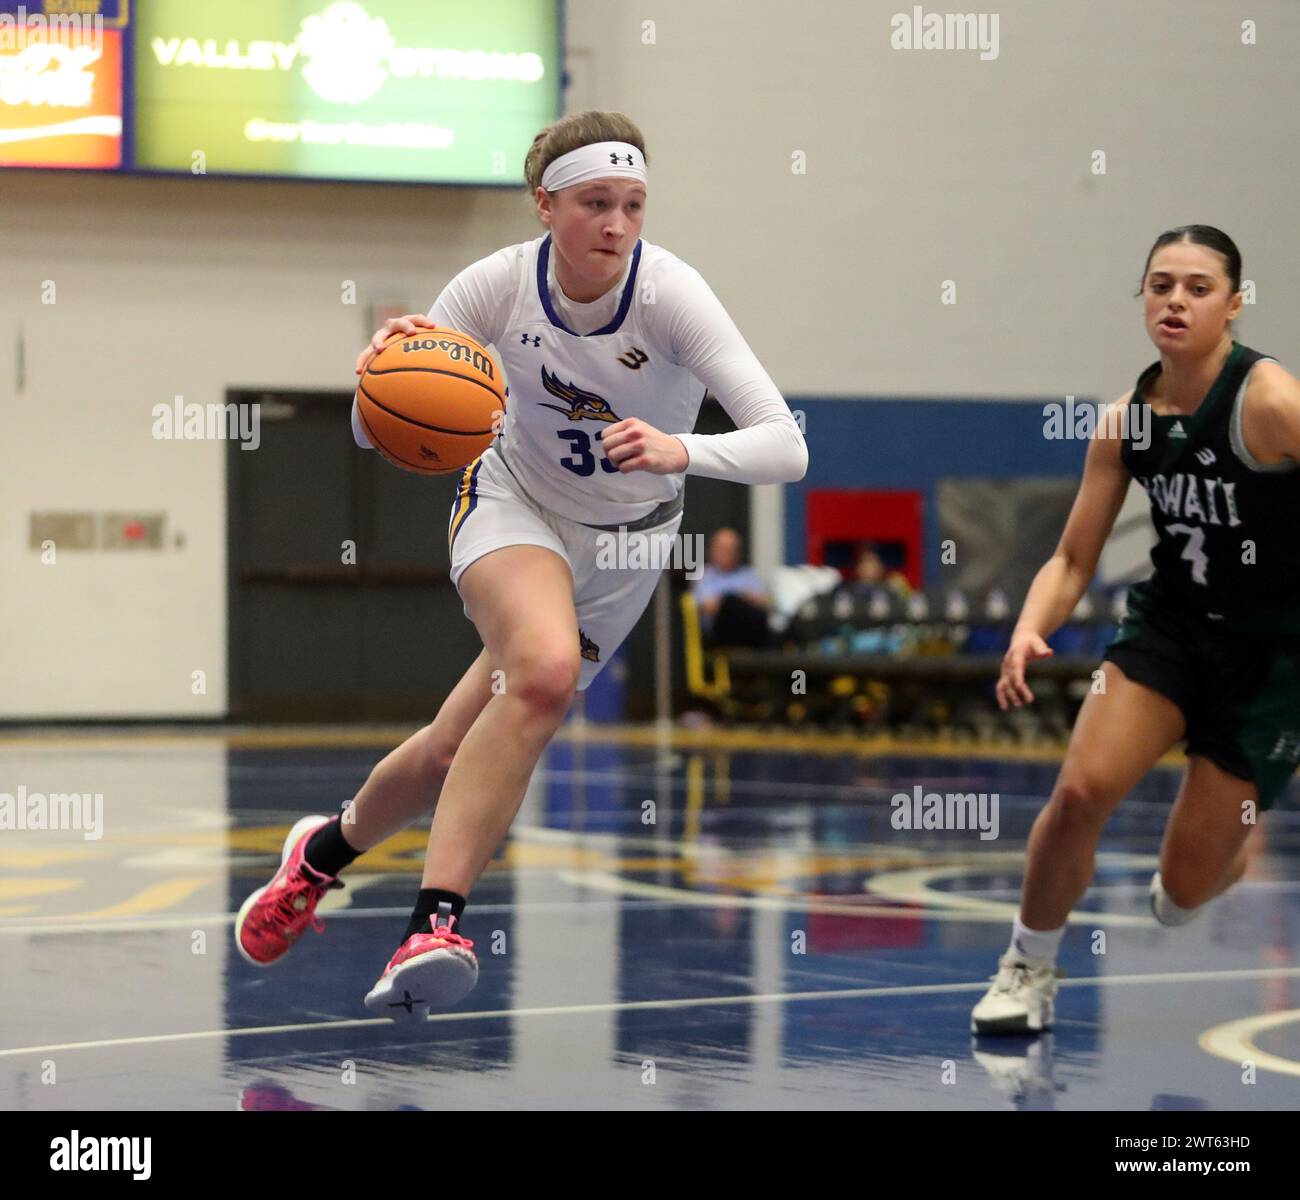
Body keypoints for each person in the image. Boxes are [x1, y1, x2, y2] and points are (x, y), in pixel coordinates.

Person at [234, 111, 808, 1020]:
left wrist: (680, 449)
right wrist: (381, 375)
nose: (617, 224)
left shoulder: (673, 296)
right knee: (538, 677)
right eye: (594, 203)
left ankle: (320, 858)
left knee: (453, 747)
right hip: (515, 505)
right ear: (545, 205)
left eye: (632, 204)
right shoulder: (495, 286)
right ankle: (437, 922)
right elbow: (374, 433)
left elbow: (786, 448)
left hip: (629, 542)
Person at [972, 225, 1300, 1035]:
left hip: (1271, 659)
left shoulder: (1268, 401)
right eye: (1161, 285)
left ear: (1233, 305)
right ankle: (1028, 966)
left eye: (1197, 287)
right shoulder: (1124, 420)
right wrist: (1027, 627)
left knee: (1182, 898)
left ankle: (1214, 864)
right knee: (1080, 791)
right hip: (1172, 630)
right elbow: (1075, 557)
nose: (1176, 301)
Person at [692, 527, 771, 647]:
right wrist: (737, 598)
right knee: (730, 601)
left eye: (732, 549)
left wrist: (742, 599)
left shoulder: (748, 574)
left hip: (751, 630)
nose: (728, 554)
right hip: (720, 633)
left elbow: (764, 602)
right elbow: (706, 607)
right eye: (723, 549)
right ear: (712, 551)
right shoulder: (703, 575)